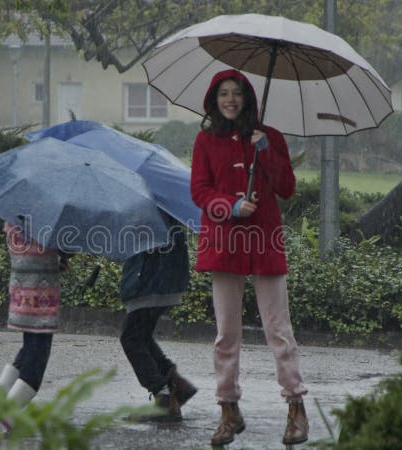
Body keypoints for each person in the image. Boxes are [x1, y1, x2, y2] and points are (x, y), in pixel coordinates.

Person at [189, 69, 308, 447]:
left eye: (236, 93)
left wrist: (266, 153)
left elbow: (287, 188)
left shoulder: (268, 137)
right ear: (214, 99)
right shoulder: (205, 139)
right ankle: (228, 409)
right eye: (223, 93)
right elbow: (199, 191)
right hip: (224, 242)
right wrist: (230, 205)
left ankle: (295, 407)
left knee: (279, 330)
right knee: (226, 333)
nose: (230, 99)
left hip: (264, 240)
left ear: (248, 99)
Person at [119, 213, 197, 421]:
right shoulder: (165, 202)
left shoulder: (148, 205)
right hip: (165, 278)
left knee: (131, 338)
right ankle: (176, 385)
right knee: (141, 335)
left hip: (150, 280)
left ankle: (163, 397)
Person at [0, 221, 72, 430]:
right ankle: (9, 412)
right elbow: (57, 249)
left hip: (21, 293)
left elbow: (31, 253)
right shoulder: (47, 222)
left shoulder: (14, 219)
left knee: (29, 348)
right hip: (41, 297)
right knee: (37, 357)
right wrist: (65, 255)